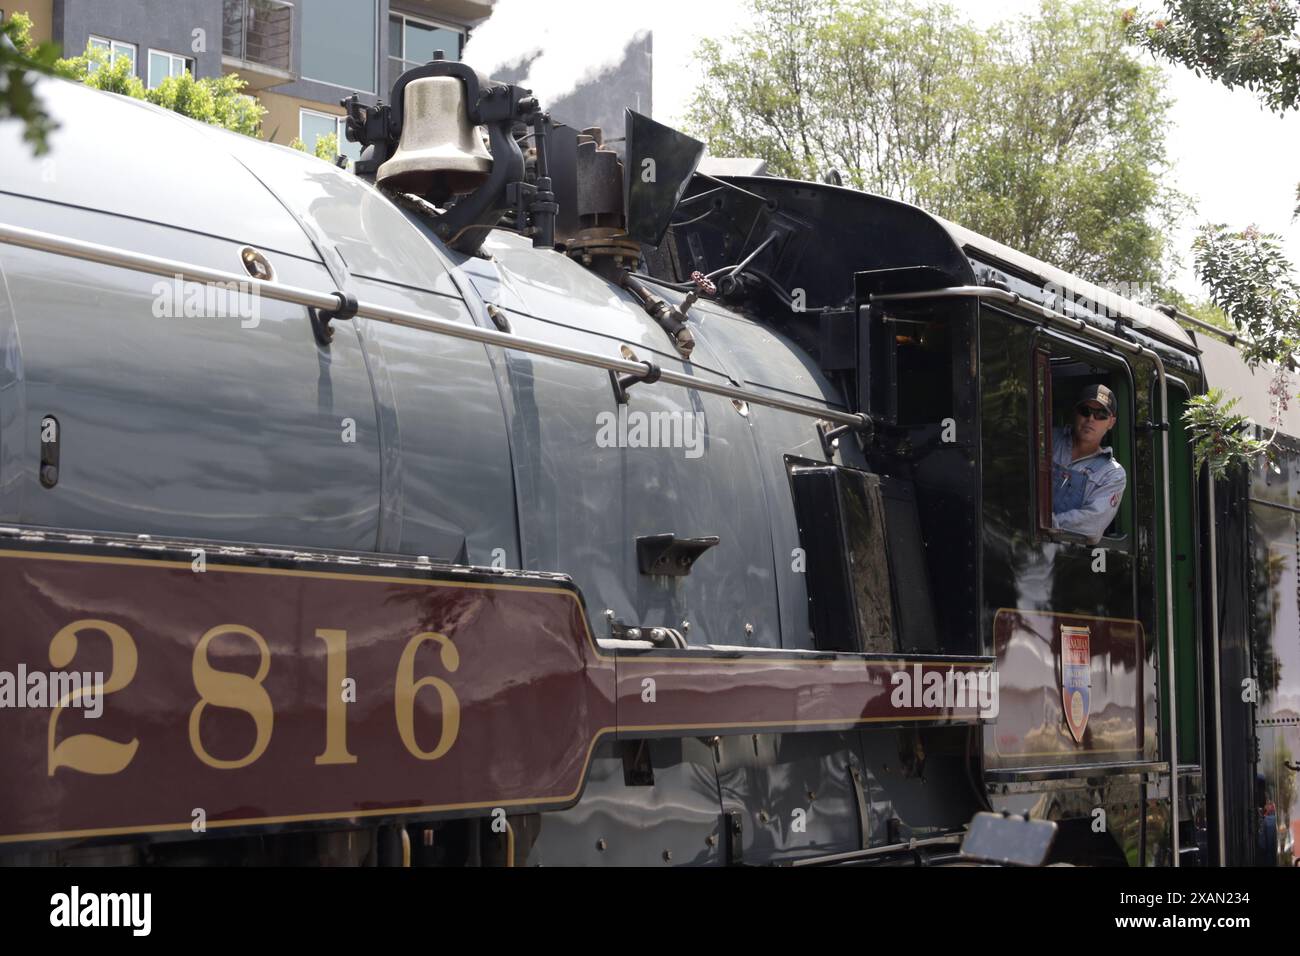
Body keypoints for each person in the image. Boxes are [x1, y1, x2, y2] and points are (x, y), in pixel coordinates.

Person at [1052, 384, 1127, 544]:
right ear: (1075, 413)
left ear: (1111, 422)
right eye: (1085, 411)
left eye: (1101, 414)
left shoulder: (1112, 474)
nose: (1091, 419)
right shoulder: (1048, 439)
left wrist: (1045, 523)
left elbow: (1091, 525)